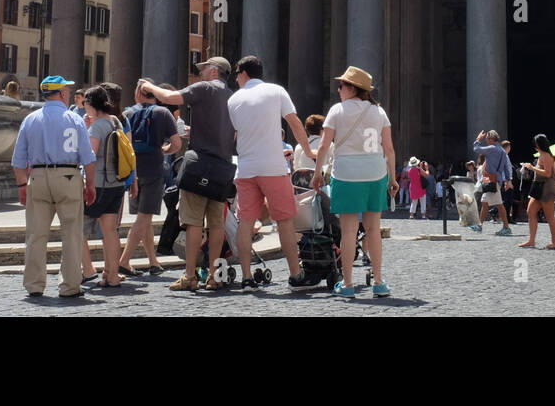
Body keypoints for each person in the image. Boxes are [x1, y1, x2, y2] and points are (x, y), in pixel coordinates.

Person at [226, 55, 321, 291]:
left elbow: (237, 134)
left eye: (237, 74)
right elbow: (294, 122)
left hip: (246, 169)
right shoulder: (276, 91)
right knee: (285, 221)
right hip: (273, 167)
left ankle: (246, 277)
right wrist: (308, 150)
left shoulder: (233, 99)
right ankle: (295, 275)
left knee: (246, 222)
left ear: (244, 73)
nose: (236, 78)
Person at [143, 57, 234, 292]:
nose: (201, 73)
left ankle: (190, 276)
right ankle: (213, 276)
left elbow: (169, 98)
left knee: (193, 223)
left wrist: (149, 86)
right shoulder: (232, 95)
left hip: (199, 165)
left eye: (203, 69)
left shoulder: (204, 87)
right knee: (216, 226)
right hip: (223, 167)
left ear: (214, 71)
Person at [310, 65, 398, 297]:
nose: (338, 89)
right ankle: (378, 281)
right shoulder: (379, 112)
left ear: (351, 88)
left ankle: (347, 284)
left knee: (348, 232)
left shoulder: (337, 111)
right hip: (375, 173)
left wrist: (318, 173)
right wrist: (393, 177)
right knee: (373, 230)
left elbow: (323, 146)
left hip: (347, 174)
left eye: (341, 85)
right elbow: (388, 148)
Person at [11, 75, 97, 298]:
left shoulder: (30, 119)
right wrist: (90, 185)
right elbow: (88, 158)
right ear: (61, 94)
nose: (68, 93)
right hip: (68, 176)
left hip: (38, 178)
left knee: (36, 234)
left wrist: (22, 185)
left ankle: (34, 285)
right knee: (71, 233)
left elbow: (18, 161)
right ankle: (69, 286)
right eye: (66, 90)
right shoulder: (74, 119)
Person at [118, 82, 182, 277]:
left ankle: (153, 261)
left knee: (142, 217)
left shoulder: (127, 114)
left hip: (133, 172)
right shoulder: (163, 113)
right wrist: (164, 150)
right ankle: (124, 261)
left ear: (138, 93)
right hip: (154, 169)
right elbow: (177, 144)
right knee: (144, 217)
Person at [82, 86, 128, 288]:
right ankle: (112, 274)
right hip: (116, 183)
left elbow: (90, 156)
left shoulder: (97, 126)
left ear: (91, 104)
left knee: (77, 228)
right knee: (110, 230)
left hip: (99, 183)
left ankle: (86, 270)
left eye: (85, 103)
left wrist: (88, 183)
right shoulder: (115, 121)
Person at [518, 134, 555, 249]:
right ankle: (531, 240)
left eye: (535, 144)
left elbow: (547, 173)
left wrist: (532, 167)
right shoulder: (543, 155)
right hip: (538, 187)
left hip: (546, 188)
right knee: (530, 212)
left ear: (538, 145)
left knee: (549, 216)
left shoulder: (546, 156)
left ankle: (554, 242)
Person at [473, 130, 514, 235]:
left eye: (486, 138)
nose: (485, 140)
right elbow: (506, 167)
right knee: (485, 203)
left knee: (499, 205)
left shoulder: (492, 149)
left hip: (492, 181)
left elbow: (476, 148)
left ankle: (506, 227)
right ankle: (479, 225)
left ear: (490, 139)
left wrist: (478, 139)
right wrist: (508, 180)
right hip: (495, 180)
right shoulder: (502, 150)